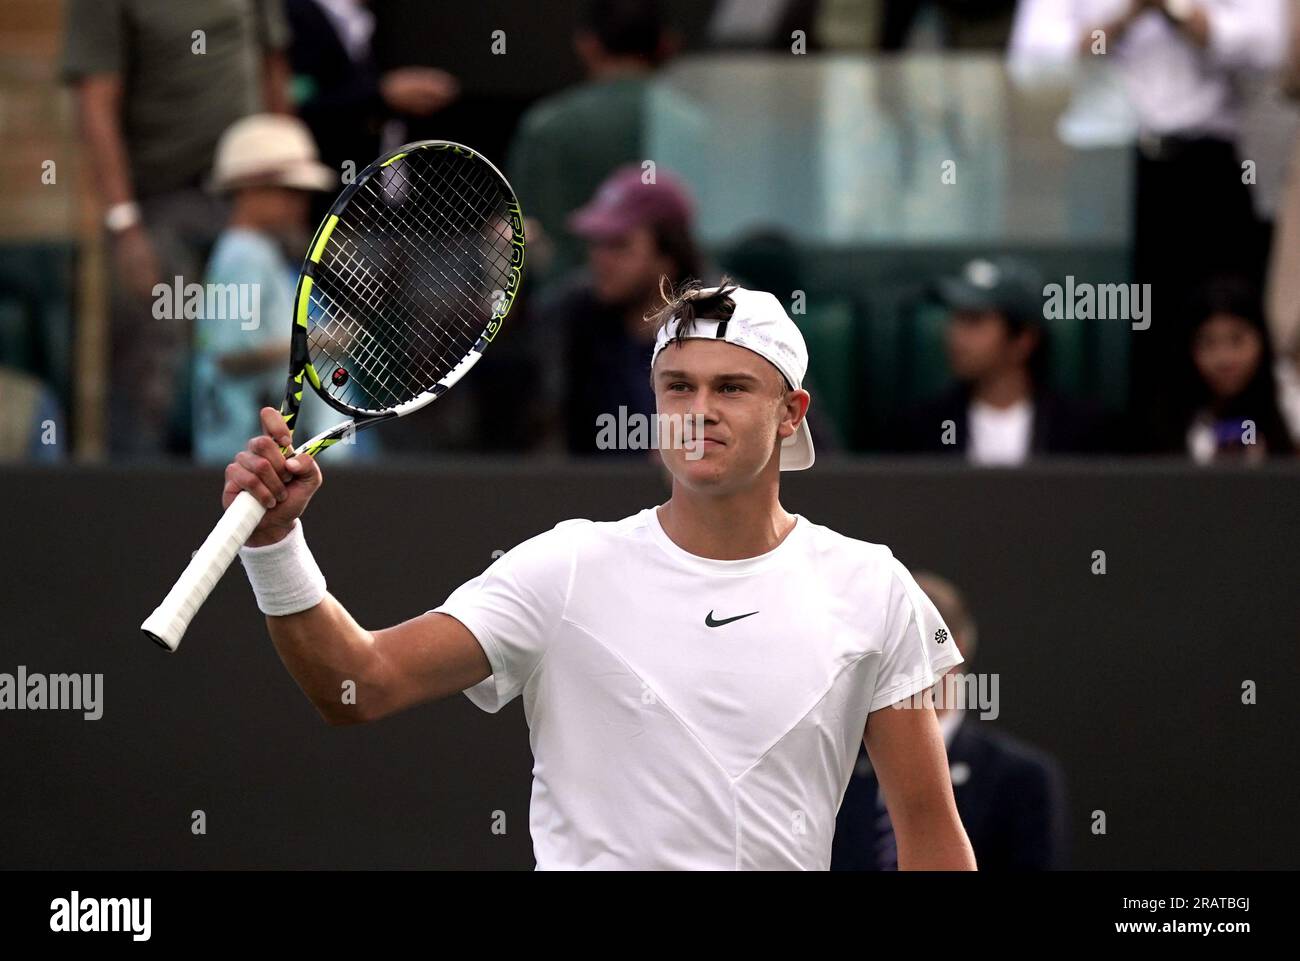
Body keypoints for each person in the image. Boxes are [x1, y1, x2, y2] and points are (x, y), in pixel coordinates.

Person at [218, 281, 976, 870]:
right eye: (678, 386)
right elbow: (361, 683)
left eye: (731, 388)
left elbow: (932, 838)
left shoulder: (872, 586)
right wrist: (276, 542)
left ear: (790, 412)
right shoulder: (566, 566)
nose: (698, 409)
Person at [1009, 0, 1289, 409]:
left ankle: (1215, 453)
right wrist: (1126, 16)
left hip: (1202, 164)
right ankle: (1110, 455)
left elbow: (1270, 51)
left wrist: (1178, 12)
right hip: (1105, 160)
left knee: (1214, 319)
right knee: (1106, 320)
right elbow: (1032, 68)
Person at [61, 0, 291, 457]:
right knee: (151, 372)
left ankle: (257, 506)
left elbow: (274, 73)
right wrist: (125, 224)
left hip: (246, 199)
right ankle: (141, 508)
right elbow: (96, 104)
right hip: (157, 205)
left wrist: (284, 180)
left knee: (261, 359)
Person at [833, 572, 1069, 871]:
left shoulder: (1019, 778)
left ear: (953, 647)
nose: (898, 666)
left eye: (909, 648)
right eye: (888, 650)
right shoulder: (842, 767)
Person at [193, 114, 368, 466]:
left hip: (265, 460)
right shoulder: (243, 255)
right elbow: (229, 356)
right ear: (247, 189)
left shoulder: (258, 252)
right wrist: (320, 341)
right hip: (247, 461)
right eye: (288, 191)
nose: (299, 204)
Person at [537, 165, 708, 457]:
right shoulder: (570, 319)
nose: (600, 259)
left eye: (618, 245)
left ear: (668, 254)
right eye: (596, 244)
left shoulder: (729, 328)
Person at [506, 0, 680, 279]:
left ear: (587, 44)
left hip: (566, 308)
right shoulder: (697, 125)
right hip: (684, 308)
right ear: (667, 43)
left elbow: (522, 237)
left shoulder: (548, 126)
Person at [891, 257, 1108, 462]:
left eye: (973, 321)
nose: (955, 337)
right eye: (954, 320)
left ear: (1023, 340)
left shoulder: (1084, 432)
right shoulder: (919, 429)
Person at [1142, 276, 1297, 462]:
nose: (1224, 359)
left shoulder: (1287, 399)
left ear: (1261, 340)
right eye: (1208, 343)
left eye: (1237, 340)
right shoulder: (1170, 413)